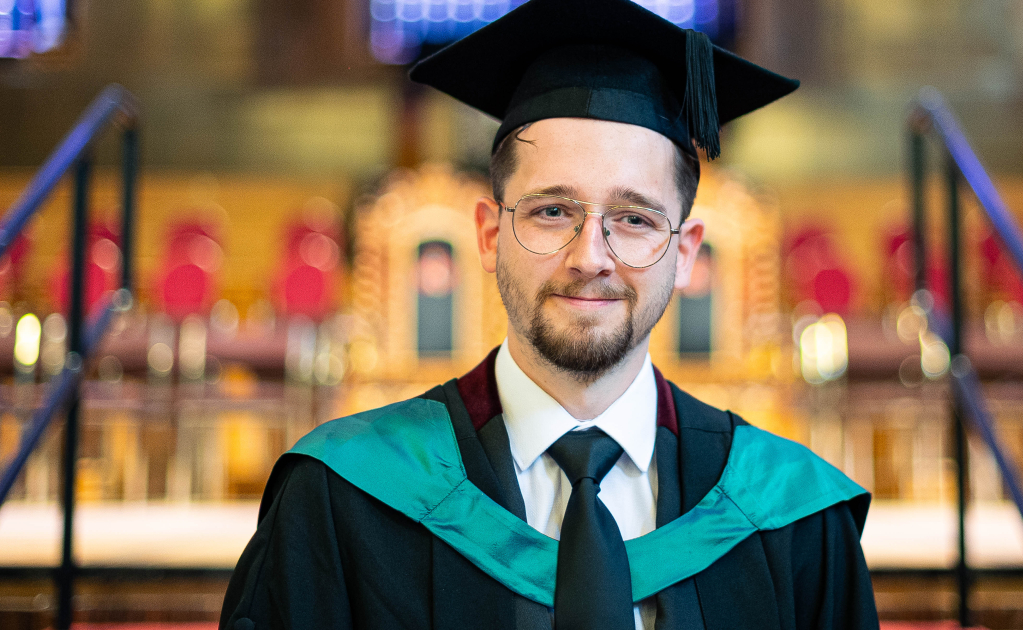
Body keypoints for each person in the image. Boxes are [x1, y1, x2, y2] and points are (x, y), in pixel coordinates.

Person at [220, 0, 877, 628]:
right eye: (552, 212)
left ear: (685, 253)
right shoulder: (342, 501)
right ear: (487, 235)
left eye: (635, 219)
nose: (591, 257)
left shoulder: (791, 518)